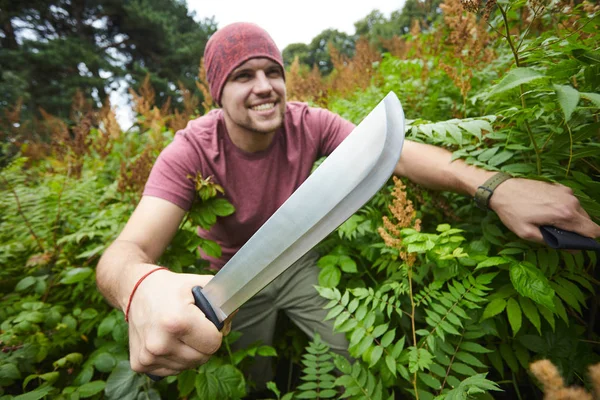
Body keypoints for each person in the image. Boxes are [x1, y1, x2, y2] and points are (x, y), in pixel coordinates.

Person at [95, 22, 600, 388]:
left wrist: (493, 186)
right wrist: (138, 285)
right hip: (226, 284)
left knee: (350, 359)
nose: (265, 87)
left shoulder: (308, 122)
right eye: (243, 76)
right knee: (251, 378)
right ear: (216, 92)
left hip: (296, 264)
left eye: (272, 71)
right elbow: (127, 250)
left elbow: (394, 151)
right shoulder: (191, 150)